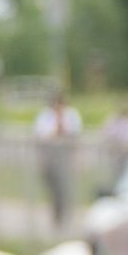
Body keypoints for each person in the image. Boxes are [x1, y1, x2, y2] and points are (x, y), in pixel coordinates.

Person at [33, 90, 84, 231]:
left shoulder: (71, 115)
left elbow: (74, 136)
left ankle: (64, 218)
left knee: (65, 188)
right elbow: (42, 136)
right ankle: (56, 215)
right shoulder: (45, 116)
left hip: (65, 157)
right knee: (54, 189)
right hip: (50, 157)